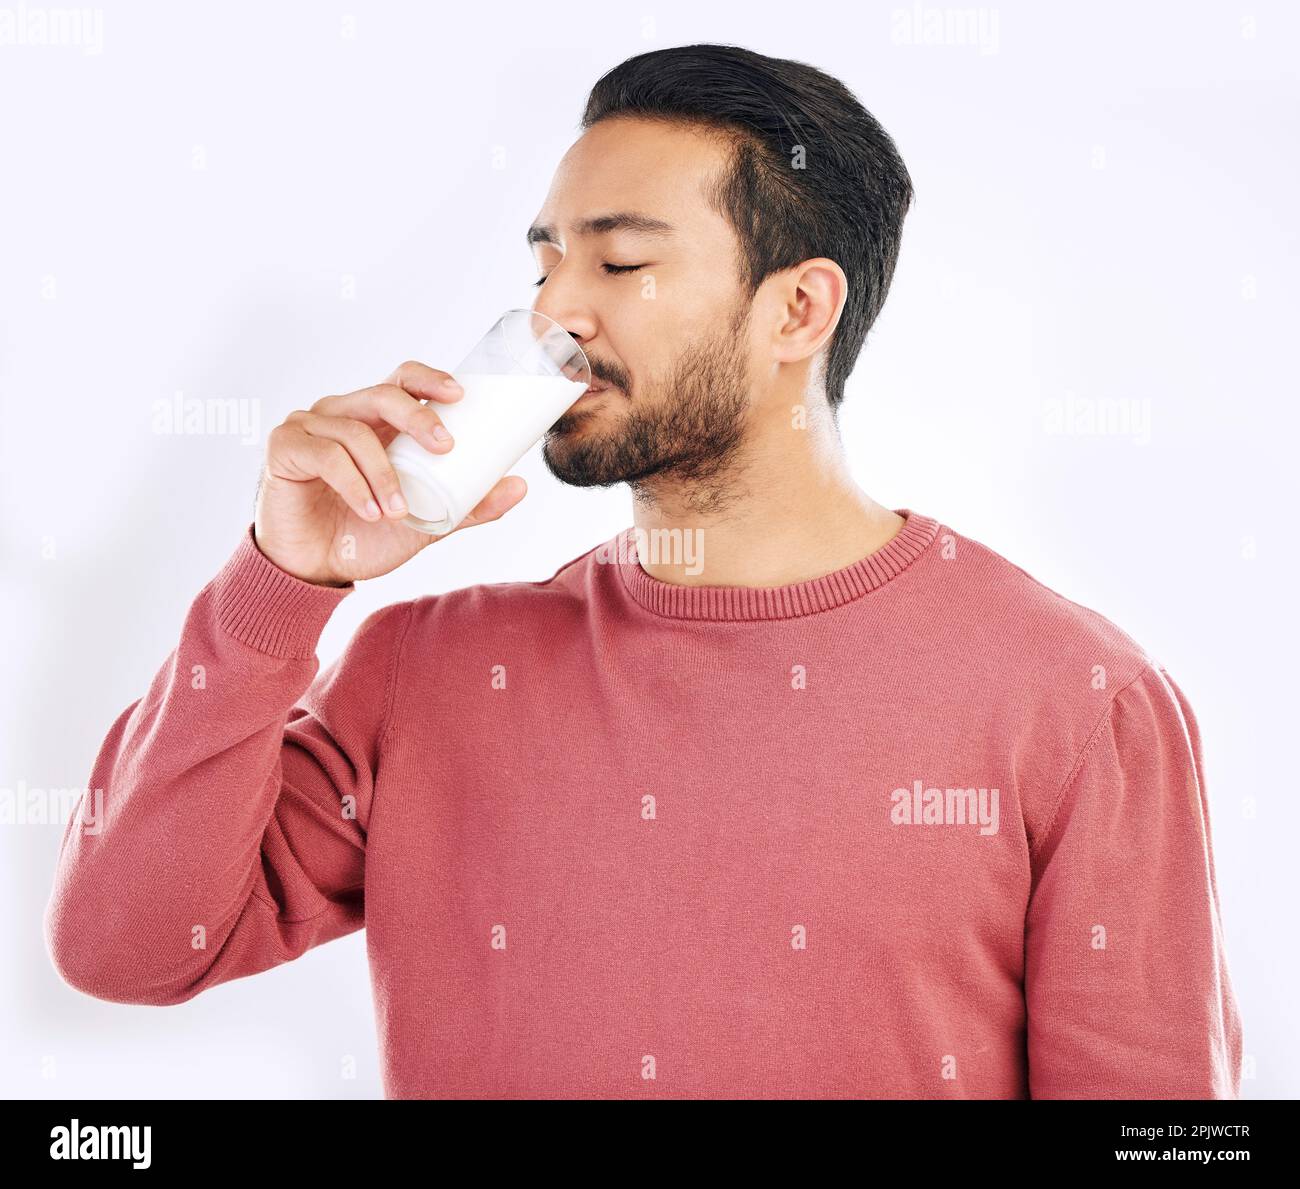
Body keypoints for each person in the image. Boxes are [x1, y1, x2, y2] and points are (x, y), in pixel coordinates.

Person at [44, 43, 1242, 1099]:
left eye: (618, 267)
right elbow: (128, 947)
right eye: (544, 266)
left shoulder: (1077, 697)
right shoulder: (427, 666)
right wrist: (281, 582)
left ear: (797, 310)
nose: (556, 310)